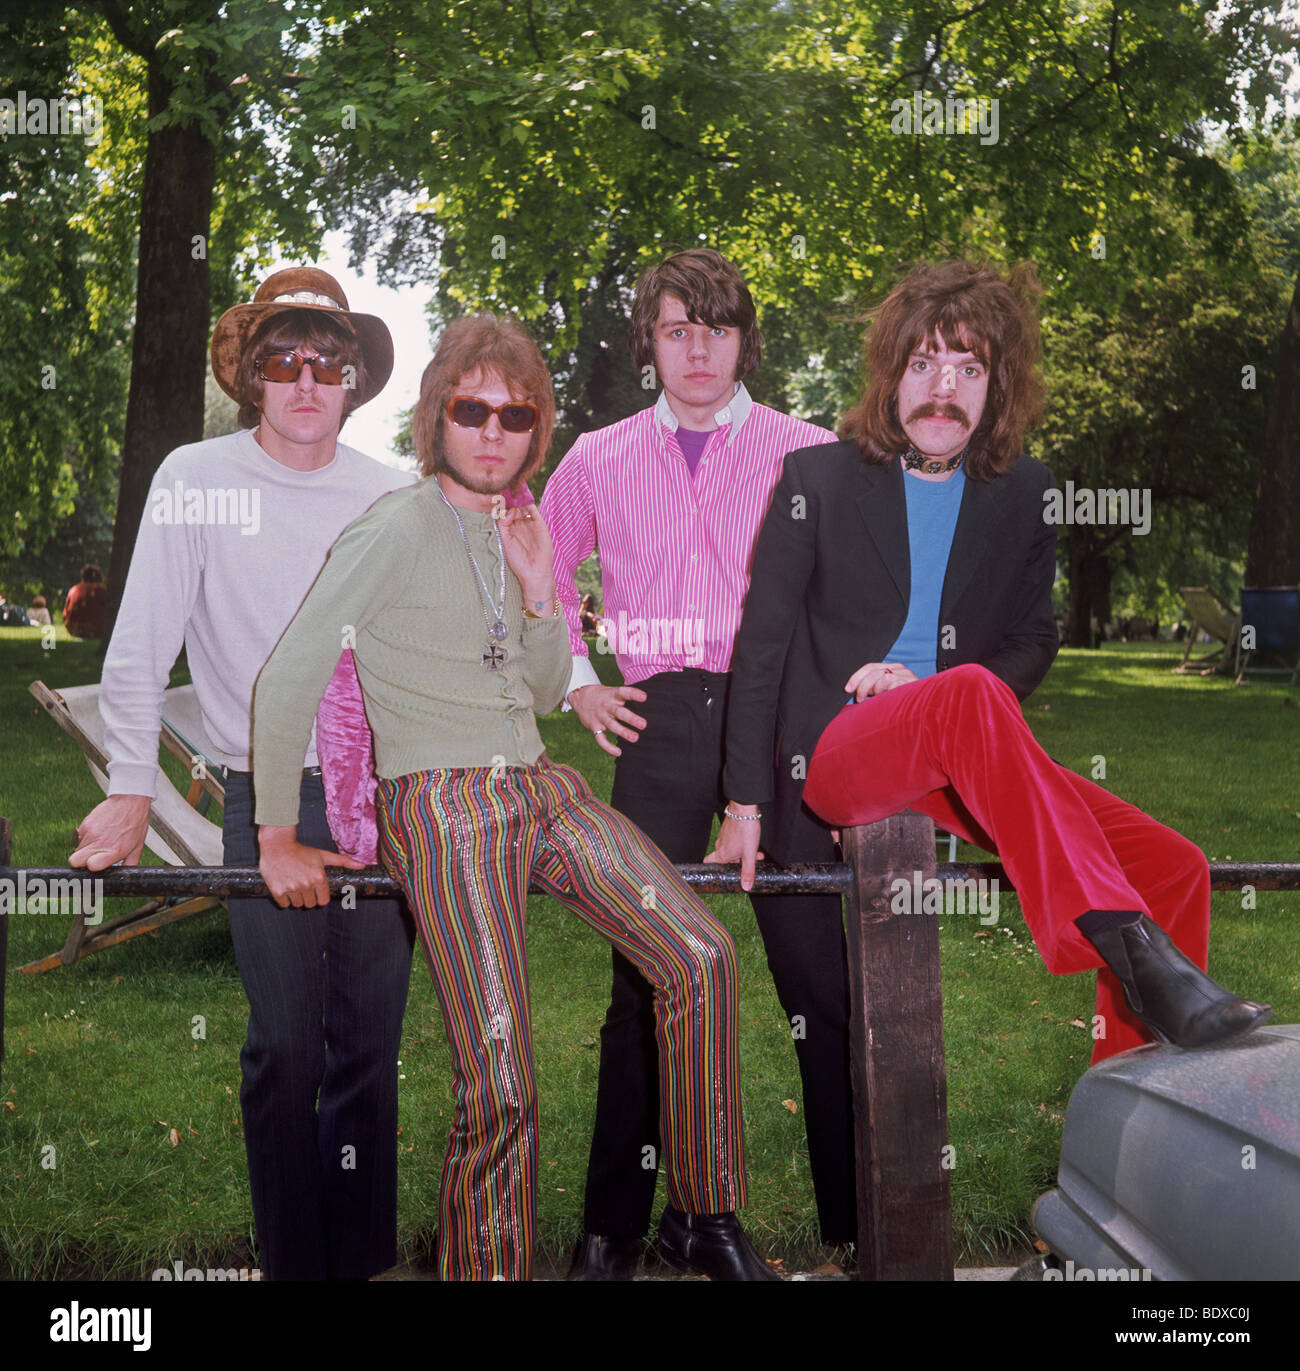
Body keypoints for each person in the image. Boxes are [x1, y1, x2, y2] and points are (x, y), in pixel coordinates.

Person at [251, 312, 778, 1283]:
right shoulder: (395, 526)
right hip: (442, 804)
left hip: (541, 785)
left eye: (516, 413)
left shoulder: (519, 526)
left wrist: (543, 593)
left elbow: (538, 693)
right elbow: (288, 673)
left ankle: (699, 1215)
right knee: (502, 1082)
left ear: (537, 430)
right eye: (472, 409)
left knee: (700, 957)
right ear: (437, 419)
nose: (494, 429)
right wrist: (277, 833)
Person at [710, 259, 1269, 1110]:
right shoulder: (816, 482)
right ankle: (1127, 945)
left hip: (958, 745)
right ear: (893, 374)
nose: (946, 389)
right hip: (836, 752)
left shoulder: (1022, 493)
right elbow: (760, 649)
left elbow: (1033, 637)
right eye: (927, 363)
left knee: (1174, 864)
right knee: (968, 689)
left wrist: (936, 682)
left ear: (996, 388)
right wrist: (746, 804)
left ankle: (1124, 1121)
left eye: (971, 370)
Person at [69, 267, 417, 1280]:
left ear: (355, 378)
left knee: (365, 1046)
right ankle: (291, 1260)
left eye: (328, 360)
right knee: (285, 1048)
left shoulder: (390, 490)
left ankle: (358, 1261)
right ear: (250, 373)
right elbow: (141, 643)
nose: (306, 379)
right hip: (258, 798)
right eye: (283, 358)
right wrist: (132, 786)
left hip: (372, 795)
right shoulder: (194, 475)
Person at [539, 248, 840, 1278]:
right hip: (657, 728)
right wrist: (577, 677)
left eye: (715, 326)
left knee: (818, 976)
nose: (697, 347)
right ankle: (618, 1226)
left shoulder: (813, 452)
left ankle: (857, 1224)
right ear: (650, 343)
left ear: (744, 338)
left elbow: (850, 599)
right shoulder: (598, 456)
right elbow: (533, 572)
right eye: (676, 328)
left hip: (778, 728)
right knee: (644, 985)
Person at [62, 564, 107, 638]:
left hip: (73, 630)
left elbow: (65, 614)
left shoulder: (73, 589)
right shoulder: (102, 590)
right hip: (96, 631)